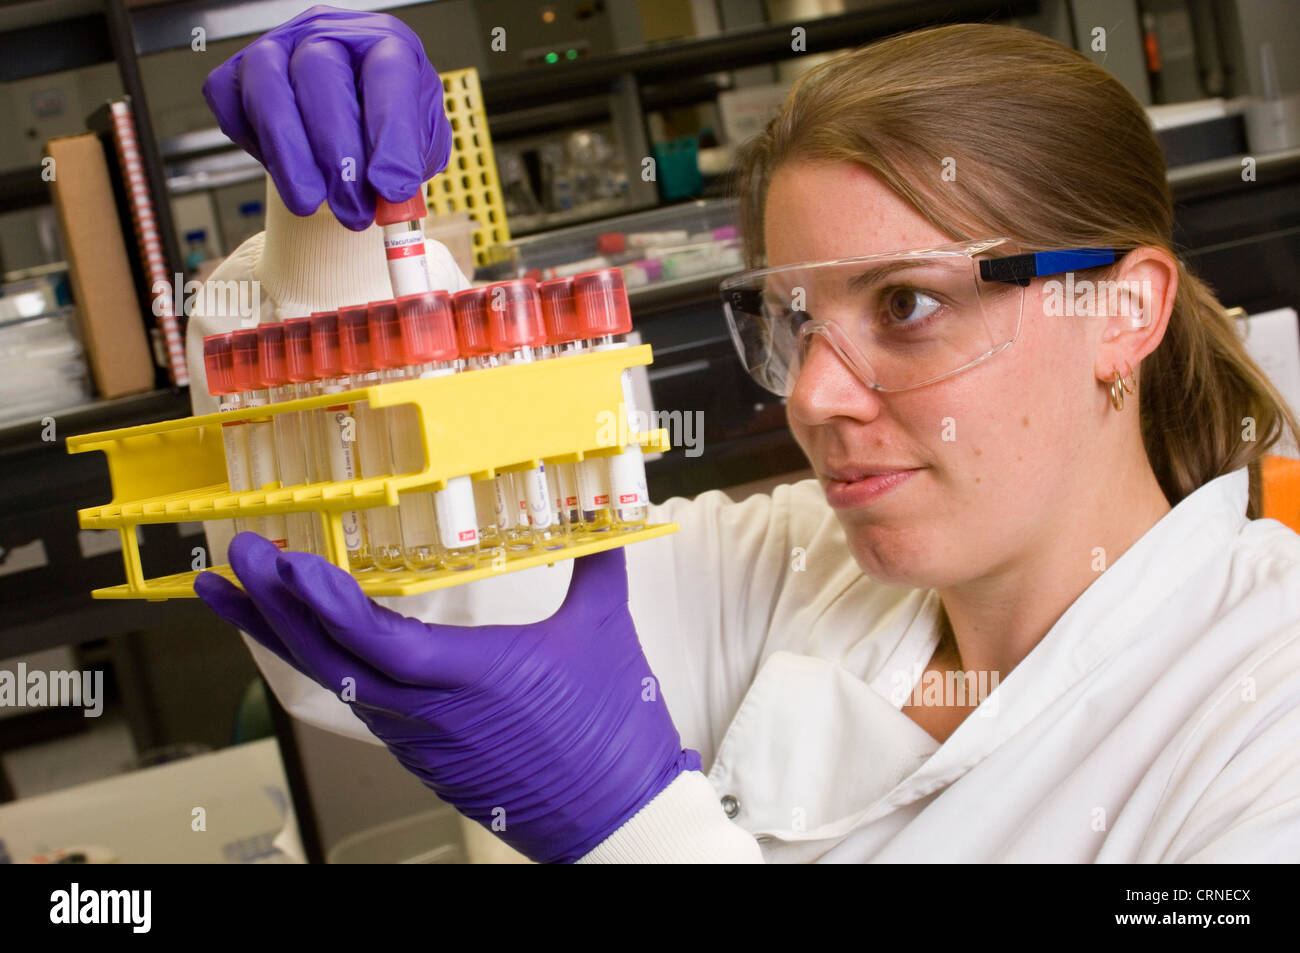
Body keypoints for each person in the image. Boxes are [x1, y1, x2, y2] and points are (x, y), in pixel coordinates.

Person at [188, 6, 1300, 863]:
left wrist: (630, 826)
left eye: (906, 304)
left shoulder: (1265, 701)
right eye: (794, 319)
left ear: (1121, 309)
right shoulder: (786, 565)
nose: (812, 394)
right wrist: (325, 225)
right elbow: (404, 588)